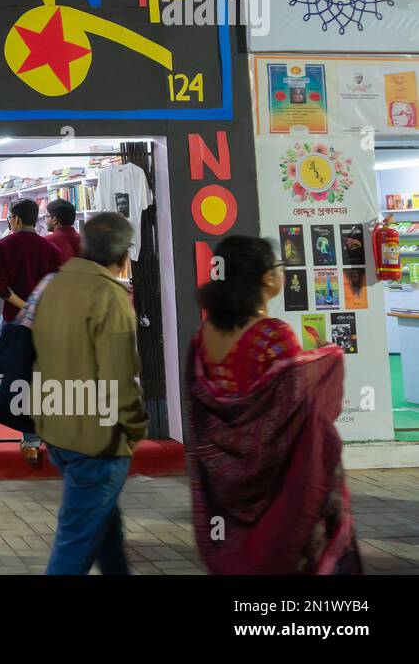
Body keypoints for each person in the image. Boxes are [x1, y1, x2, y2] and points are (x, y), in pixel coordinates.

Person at [187, 236, 361, 574]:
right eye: (280, 267)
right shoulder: (272, 334)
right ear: (267, 277)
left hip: (227, 480)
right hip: (273, 477)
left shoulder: (203, 333)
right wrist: (327, 359)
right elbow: (296, 405)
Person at [31, 212, 148, 575]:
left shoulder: (53, 285)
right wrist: (135, 426)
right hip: (97, 438)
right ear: (124, 254)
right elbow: (119, 376)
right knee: (76, 543)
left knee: (104, 528)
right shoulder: (110, 297)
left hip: (59, 426)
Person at [0, 199, 61, 464]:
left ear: (16, 219)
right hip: (47, 321)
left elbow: (1, 287)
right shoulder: (51, 249)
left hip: (15, 322)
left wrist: (25, 307)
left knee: (18, 380)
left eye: (9, 218)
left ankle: (30, 441)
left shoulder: (2, 247)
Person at [45, 199, 82, 265]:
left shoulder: (47, 241)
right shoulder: (83, 240)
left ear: (55, 220)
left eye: (46, 216)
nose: (45, 219)